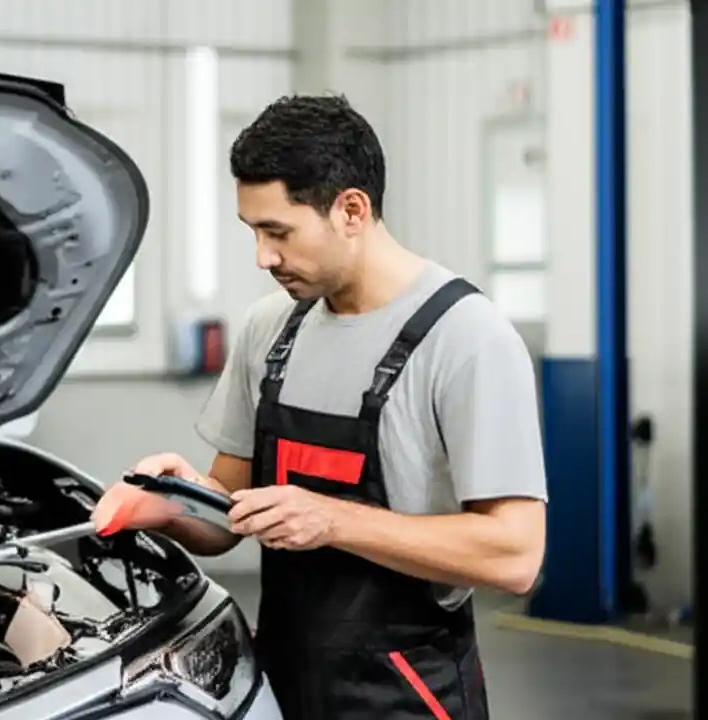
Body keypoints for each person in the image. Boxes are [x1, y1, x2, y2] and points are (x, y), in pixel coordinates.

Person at [92, 94, 548, 719]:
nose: (263, 257)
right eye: (253, 231)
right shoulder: (269, 331)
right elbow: (226, 519)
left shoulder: (467, 339)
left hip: (406, 693)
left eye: (278, 232)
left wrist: (332, 521)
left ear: (351, 210)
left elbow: (517, 555)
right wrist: (171, 503)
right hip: (281, 682)